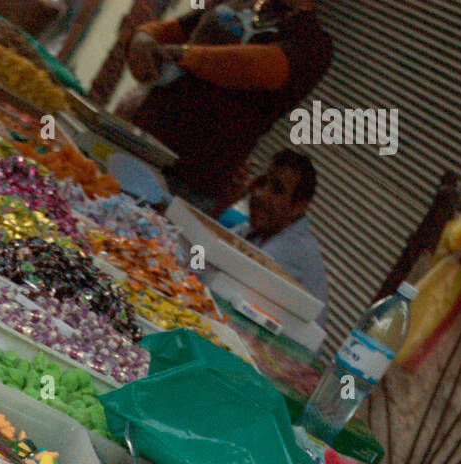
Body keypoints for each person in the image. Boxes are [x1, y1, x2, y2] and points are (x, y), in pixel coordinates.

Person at [124, 0, 333, 214]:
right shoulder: (236, 3)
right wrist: (142, 38)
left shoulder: (313, 46)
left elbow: (251, 66)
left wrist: (183, 54)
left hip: (188, 182)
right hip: (138, 143)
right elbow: (170, 30)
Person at [240, 149, 329, 322]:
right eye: (262, 183)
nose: (259, 194)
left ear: (298, 207)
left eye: (277, 190)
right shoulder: (262, 230)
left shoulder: (291, 250)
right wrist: (228, 201)